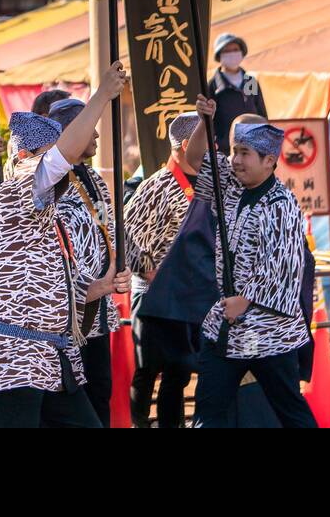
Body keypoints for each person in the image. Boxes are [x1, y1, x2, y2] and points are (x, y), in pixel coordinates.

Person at [0, 62, 130, 427]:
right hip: (15, 355)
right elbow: (60, 158)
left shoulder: (48, 208)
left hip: (52, 353)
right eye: (52, 153)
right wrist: (102, 95)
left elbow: (56, 283)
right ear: (29, 155)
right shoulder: (16, 190)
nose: (61, 163)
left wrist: (101, 287)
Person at [183, 97, 317, 428]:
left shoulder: (281, 205)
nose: (235, 160)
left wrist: (246, 300)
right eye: (234, 151)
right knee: (208, 410)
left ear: (269, 160)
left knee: (290, 410)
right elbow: (194, 158)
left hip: (269, 330)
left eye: (244, 153)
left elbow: (282, 268)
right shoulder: (230, 184)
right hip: (225, 327)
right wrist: (204, 121)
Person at [46, 95, 119, 427]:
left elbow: (107, 225)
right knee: (73, 392)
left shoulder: (92, 177)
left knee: (101, 387)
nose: (97, 136)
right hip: (70, 309)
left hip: (100, 307)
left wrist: (118, 262)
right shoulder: (49, 178)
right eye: (91, 128)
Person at [125, 110, 200, 428]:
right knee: (150, 368)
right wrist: (147, 269)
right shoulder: (157, 185)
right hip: (155, 293)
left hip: (191, 295)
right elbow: (123, 233)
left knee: (180, 370)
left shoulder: (209, 182)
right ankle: (139, 422)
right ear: (185, 144)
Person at [208, 33, 267, 153]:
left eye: (235, 49)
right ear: (220, 55)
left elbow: (260, 113)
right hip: (226, 150)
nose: (232, 54)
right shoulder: (213, 86)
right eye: (227, 51)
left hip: (254, 146)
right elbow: (209, 122)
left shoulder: (250, 82)